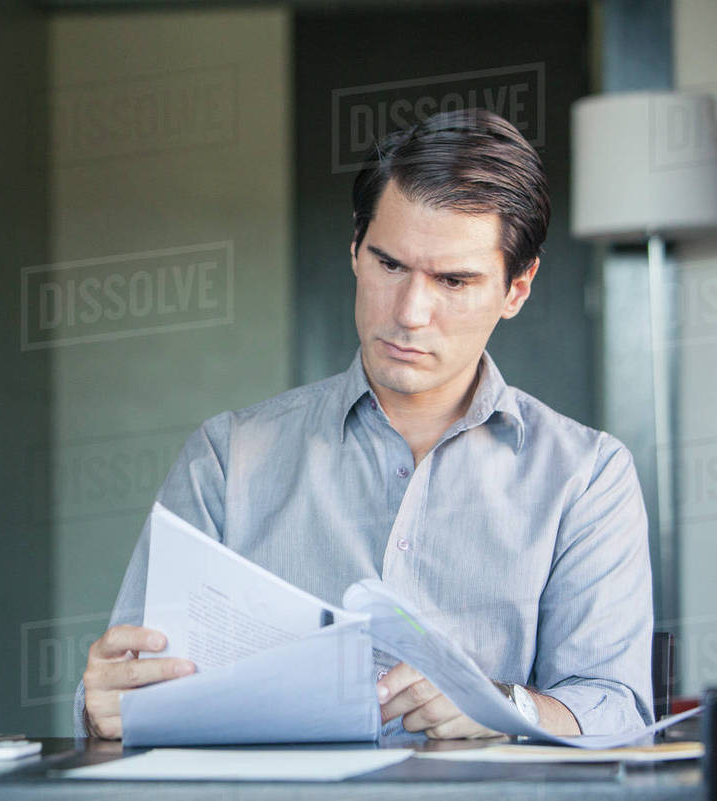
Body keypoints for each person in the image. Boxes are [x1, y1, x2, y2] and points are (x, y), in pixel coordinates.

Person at [76, 108, 654, 741]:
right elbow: (133, 685)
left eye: (453, 280)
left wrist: (497, 704)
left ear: (516, 289)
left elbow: (617, 708)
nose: (409, 312)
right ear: (356, 248)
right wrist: (100, 708)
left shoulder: (587, 475)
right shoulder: (225, 456)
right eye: (389, 265)